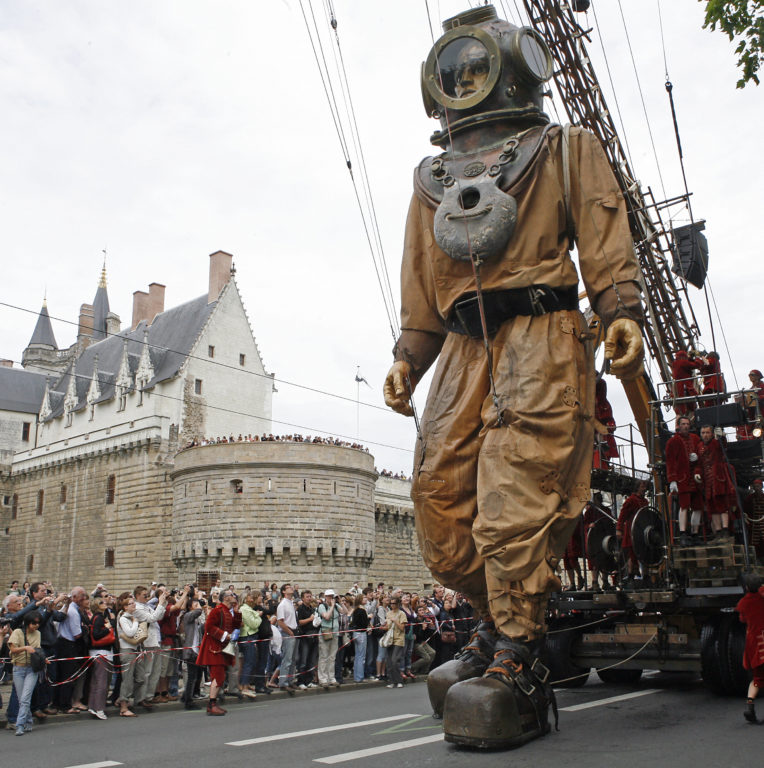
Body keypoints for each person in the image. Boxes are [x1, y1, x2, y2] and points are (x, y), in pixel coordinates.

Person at [382, 5, 643, 748]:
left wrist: (620, 308)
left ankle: (519, 657)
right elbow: (422, 288)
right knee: (438, 502)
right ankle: (495, 623)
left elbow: (603, 231)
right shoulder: (430, 181)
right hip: (464, 347)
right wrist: (408, 359)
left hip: (541, 332)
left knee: (514, 494)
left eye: (476, 66)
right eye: (456, 70)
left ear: (513, 67)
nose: (467, 78)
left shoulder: (563, 149)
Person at [196, 588, 242, 716]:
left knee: (220, 676)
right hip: (214, 649)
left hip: (222, 648)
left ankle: (213, 703)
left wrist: (237, 612)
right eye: (231, 595)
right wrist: (225, 635)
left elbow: (236, 626)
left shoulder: (228, 611)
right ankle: (211, 704)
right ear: (225, 598)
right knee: (218, 676)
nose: (234, 596)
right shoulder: (217, 610)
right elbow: (209, 627)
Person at [666, 415, 703, 546]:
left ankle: (695, 533)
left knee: (697, 507)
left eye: (687, 424)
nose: (686, 426)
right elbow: (670, 462)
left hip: (695, 478)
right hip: (683, 479)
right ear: (679, 426)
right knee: (684, 506)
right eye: (683, 424)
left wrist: (697, 457)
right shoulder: (673, 441)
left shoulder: (695, 439)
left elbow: (702, 453)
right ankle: (683, 534)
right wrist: (672, 480)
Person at [697, 424, 736, 539]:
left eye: (707, 432)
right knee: (712, 508)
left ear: (711, 433)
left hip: (718, 479)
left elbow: (722, 445)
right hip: (707, 481)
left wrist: (722, 436)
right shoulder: (699, 446)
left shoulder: (716, 443)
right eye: (703, 433)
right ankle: (718, 532)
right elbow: (698, 464)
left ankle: (725, 530)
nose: (705, 435)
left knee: (722, 506)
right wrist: (697, 473)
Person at [8, 610, 43, 736]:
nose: (36, 626)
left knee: (25, 698)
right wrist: (25, 648)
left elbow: (37, 650)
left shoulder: (38, 634)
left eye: (38, 623)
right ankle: (28, 720)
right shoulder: (17, 632)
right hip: (18, 668)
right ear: (28, 623)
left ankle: (19, 724)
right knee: (22, 699)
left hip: (32, 669)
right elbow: (12, 649)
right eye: (34, 623)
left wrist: (43, 659)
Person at [735, 575, 764, 723]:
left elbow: (742, 619)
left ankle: (750, 705)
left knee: (757, 679)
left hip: (754, 643)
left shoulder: (743, 603)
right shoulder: (762, 596)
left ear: (746, 587)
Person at [87, 596, 115, 720]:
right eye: (101, 602)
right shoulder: (98, 618)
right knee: (102, 682)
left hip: (97, 652)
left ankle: (93, 705)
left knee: (96, 681)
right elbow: (96, 635)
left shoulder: (97, 617)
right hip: (101, 652)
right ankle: (99, 708)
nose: (104, 603)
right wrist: (109, 627)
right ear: (97, 606)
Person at [116, 594, 143, 717]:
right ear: (125, 607)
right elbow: (130, 633)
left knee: (140, 678)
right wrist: (136, 623)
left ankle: (122, 697)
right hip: (127, 650)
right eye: (131, 603)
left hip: (135, 649)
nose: (134, 605)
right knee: (127, 679)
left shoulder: (132, 617)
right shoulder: (123, 618)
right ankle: (123, 706)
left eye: (134, 603)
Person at [617, 481, 649, 582]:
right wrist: (619, 529)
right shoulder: (631, 500)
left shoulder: (645, 501)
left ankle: (645, 575)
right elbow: (622, 516)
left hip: (642, 532)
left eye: (645, 487)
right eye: (642, 487)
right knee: (632, 553)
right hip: (632, 531)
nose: (644, 489)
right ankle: (631, 575)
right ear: (637, 488)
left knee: (644, 553)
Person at [276, 583, 298, 695]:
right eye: (288, 587)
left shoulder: (291, 603)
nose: (291, 588)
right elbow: (280, 622)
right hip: (287, 632)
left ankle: (290, 680)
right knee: (287, 659)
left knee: (293, 659)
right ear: (284, 591)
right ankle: (283, 682)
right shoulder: (282, 604)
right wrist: (290, 632)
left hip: (293, 631)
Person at [239, 592, 262, 698]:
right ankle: (244, 686)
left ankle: (246, 684)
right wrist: (258, 616)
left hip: (250, 636)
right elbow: (254, 624)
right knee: (249, 662)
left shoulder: (248, 609)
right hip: (248, 637)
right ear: (245, 599)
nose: (252, 598)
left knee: (250, 662)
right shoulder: (245, 610)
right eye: (249, 596)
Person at [317, 589, 341, 688]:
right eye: (329, 596)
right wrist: (331, 606)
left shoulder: (336, 606)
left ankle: (331, 677)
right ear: (326, 597)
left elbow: (345, 612)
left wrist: (340, 602)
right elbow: (326, 617)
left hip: (335, 632)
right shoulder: (322, 606)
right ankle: (323, 678)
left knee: (332, 656)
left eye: (332, 596)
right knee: (324, 656)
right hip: (325, 632)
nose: (331, 598)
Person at [382, 597, 407, 689]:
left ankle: (399, 680)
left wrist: (395, 621)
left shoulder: (401, 614)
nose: (392, 605)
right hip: (390, 639)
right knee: (389, 661)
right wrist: (383, 627)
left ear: (398, 604)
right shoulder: (388, 613)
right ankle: (391, 681)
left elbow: (402, 628)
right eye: (391, 603)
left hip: (398, 639)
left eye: (394, 603)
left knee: (394, 660)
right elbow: (388, 627)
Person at [349, 594, 369, 683]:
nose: (366, 599)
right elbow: (364, 624)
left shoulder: (355, 610)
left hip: (356, 633)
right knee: (361, 656)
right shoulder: (362, 610)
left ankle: (356, 676)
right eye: (364, 598)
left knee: (357, 655)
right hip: (361, 633)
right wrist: (369, 618)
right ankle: (360, 677)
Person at [744, 478, 764, 562]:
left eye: (758, 486)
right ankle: (756, 559)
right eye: (755, 486)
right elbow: (745, 510)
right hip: (753, 525)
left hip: (763, 524)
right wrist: (746, 518)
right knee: (754, 543)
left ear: (761, 486)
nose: (757, 488)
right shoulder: (749, 498)